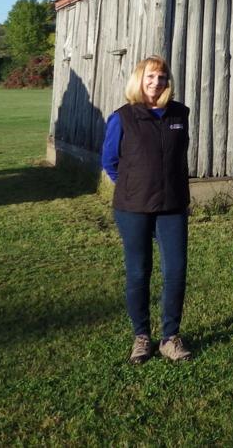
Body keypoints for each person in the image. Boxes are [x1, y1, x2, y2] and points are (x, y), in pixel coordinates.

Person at [101, 55, 193, 363]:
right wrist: (133, 185)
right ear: (139, 79)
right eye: (151, 77)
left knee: (175, 271)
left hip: (173, 206)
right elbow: (109, 162)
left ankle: (170, 338)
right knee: (139, 272)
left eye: (162, 78)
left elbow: (180, 157)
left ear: (169, 82)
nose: (156, 83)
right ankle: (142, 337)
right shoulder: (123, 117)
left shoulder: (179, 114)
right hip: (133, 208)